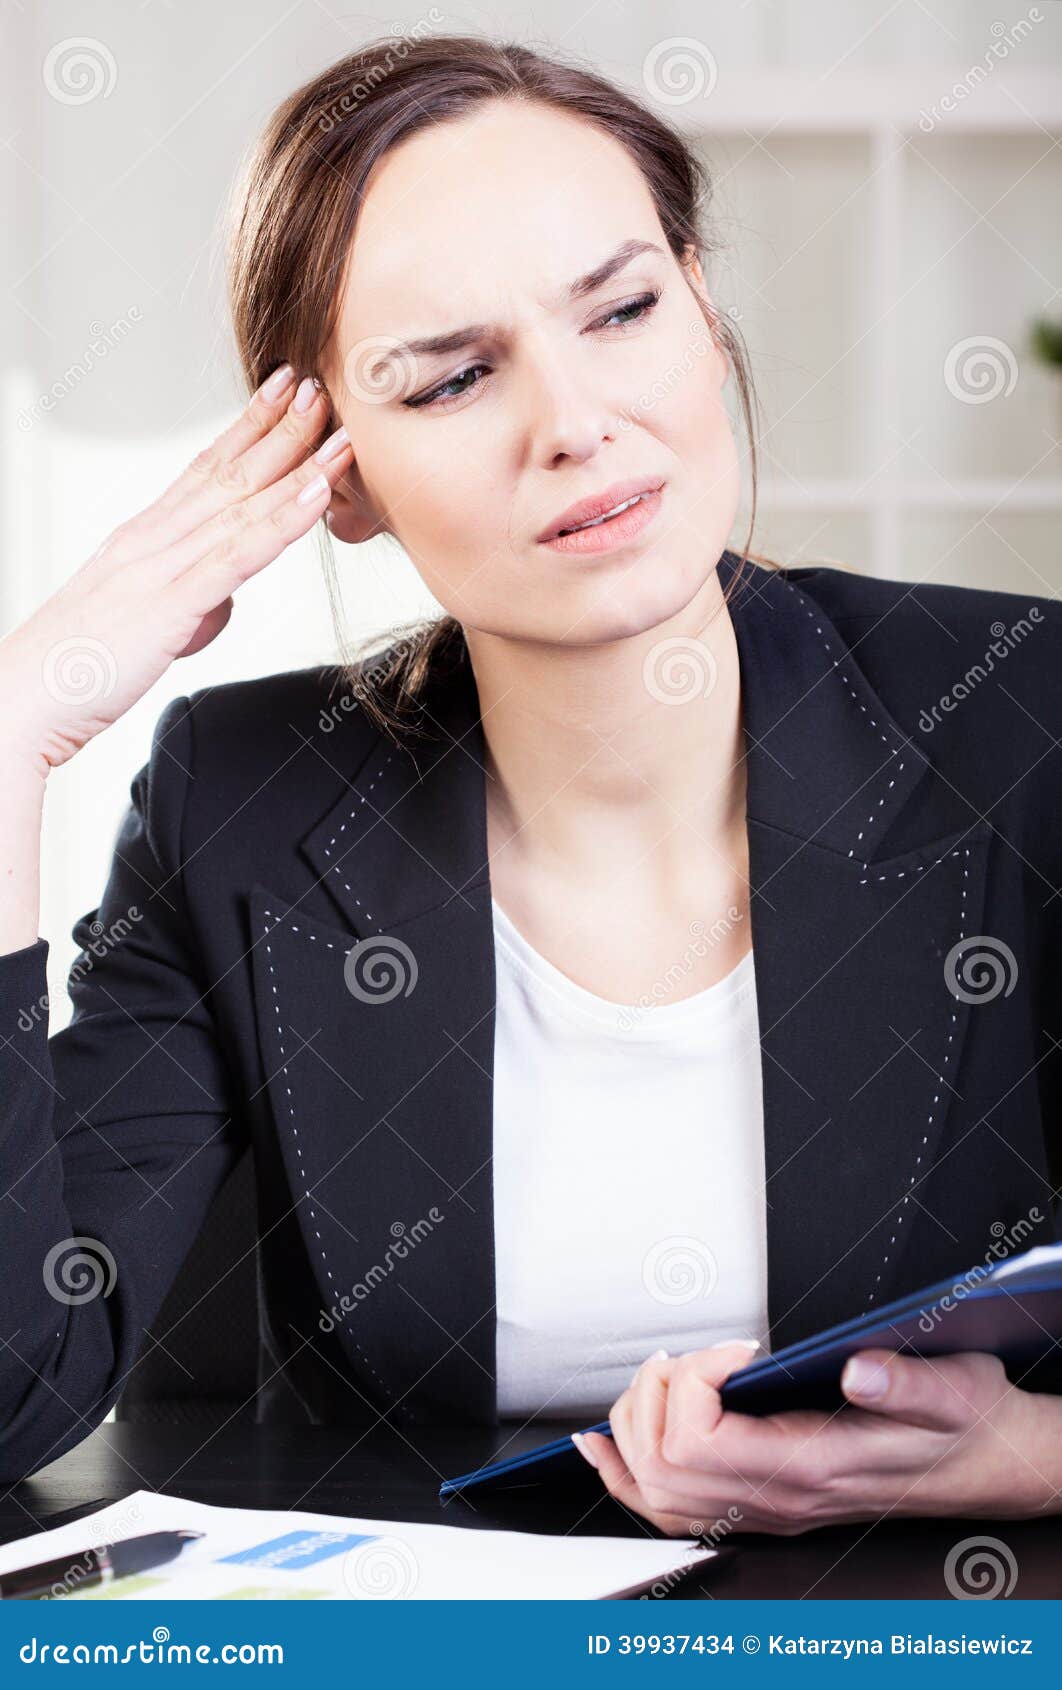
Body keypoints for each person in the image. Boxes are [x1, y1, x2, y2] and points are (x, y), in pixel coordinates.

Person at [1, 34, 1060, 1538]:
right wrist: (12, 733)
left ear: (701, 309)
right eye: (449, 379)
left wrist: (1025, 1457)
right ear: (332, 471)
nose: (574, 422)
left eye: (623, 309)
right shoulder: (236, 802)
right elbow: (15, 1389)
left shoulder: (1021, 713)